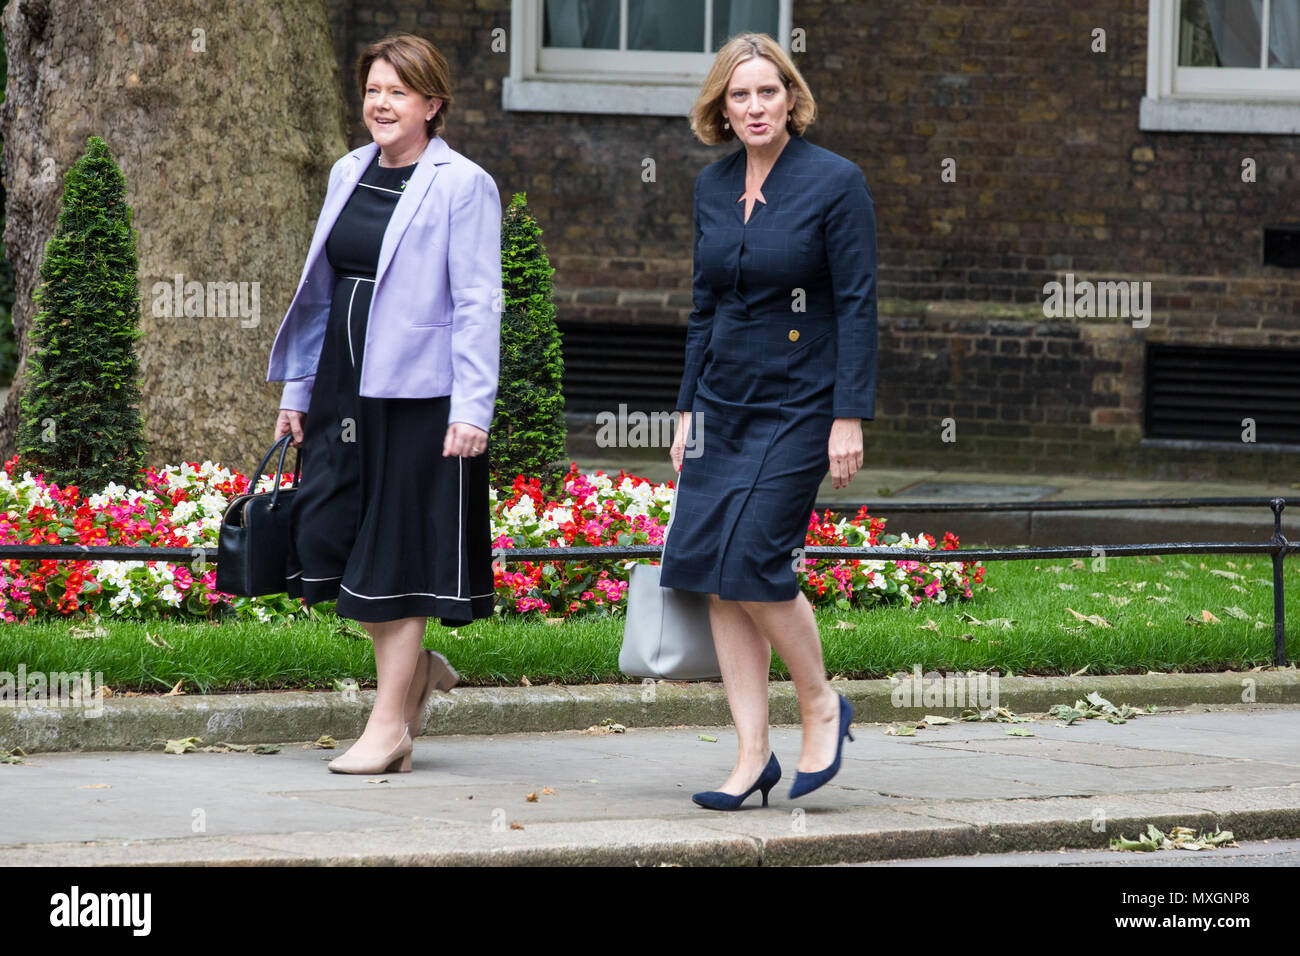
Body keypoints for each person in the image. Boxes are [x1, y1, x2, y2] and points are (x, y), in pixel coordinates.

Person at [265, 34, 502, 775]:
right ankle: (418, 672)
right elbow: (319, 295)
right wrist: (298, 392)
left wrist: (473, 408)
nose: (381, 103)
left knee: (393, 554)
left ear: (432, 104)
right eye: (373, 89)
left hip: (419, 396)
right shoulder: (348, 171)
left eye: (399, 91)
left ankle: (388, 724)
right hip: (342, 385)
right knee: (329, 533)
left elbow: (477, 301)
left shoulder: (463, 184)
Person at [659, 32, 878, 808]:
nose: (755, 106)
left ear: (792, 99)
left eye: (768, 92)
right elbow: (703, 305)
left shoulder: (836, 183)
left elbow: (856, 303)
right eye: (740, 95)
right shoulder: (712, 187)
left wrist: (848, 415)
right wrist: (685, 410)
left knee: (752, 558)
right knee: (716, 576)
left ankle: (821, 703)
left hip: (801, 401)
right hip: (722, 400)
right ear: (722, 106)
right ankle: (753, 755)